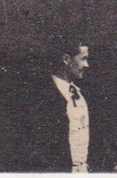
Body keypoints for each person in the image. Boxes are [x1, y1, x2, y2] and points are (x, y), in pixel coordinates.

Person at [24, 41, 89, 172]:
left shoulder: (79, 95)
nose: (86, 65)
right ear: (66, 59)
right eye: (83, 59)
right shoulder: (42, 98)